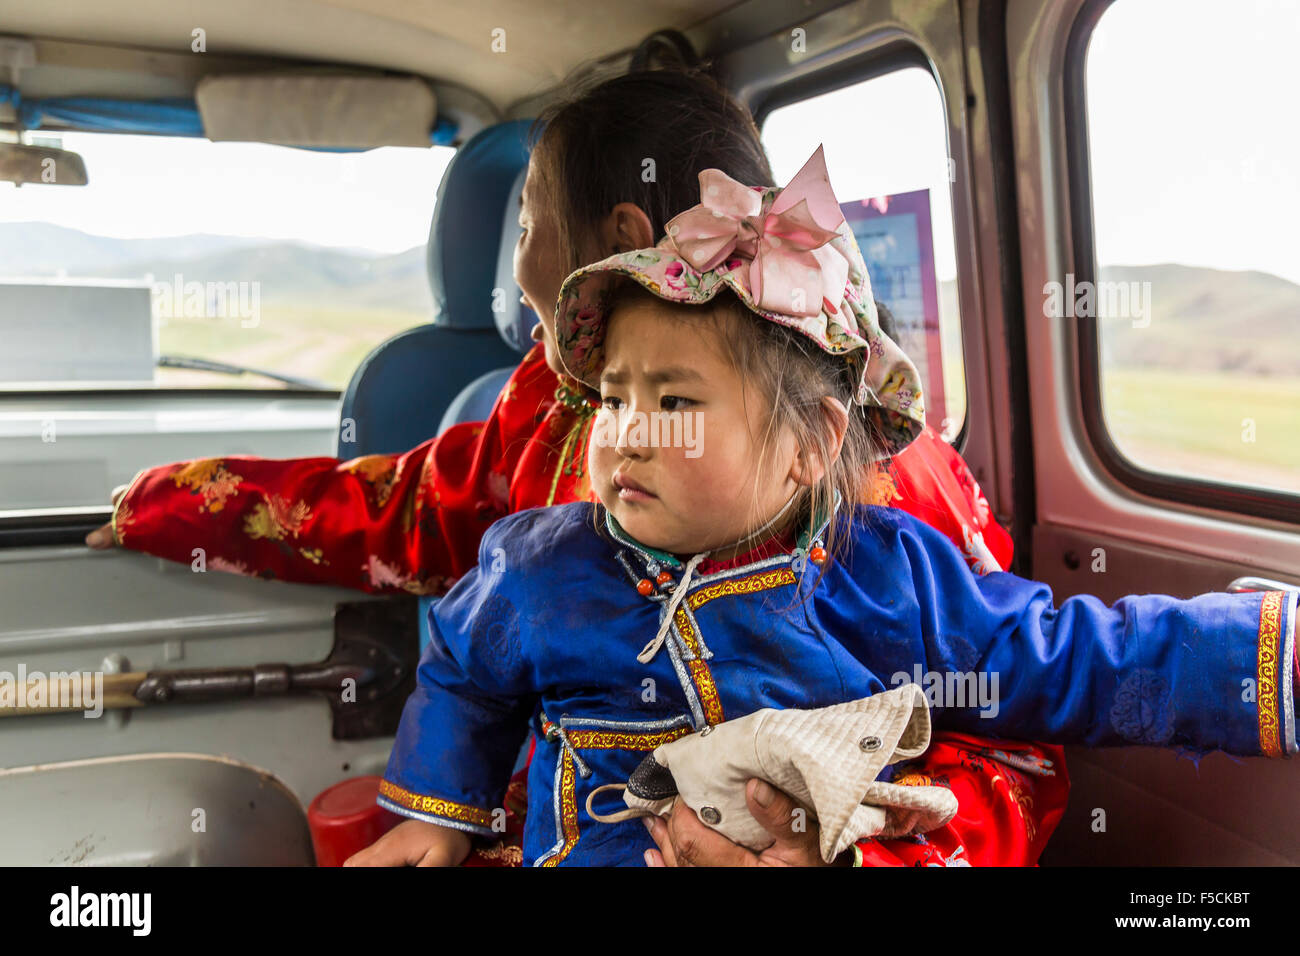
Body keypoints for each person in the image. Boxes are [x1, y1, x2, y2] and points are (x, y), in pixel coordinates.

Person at [87, 67, 1062, 865]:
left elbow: (1013, 749)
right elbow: (393, 514)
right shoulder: (545, 408)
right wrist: (169, 503)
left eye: (525, 228)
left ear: (625, 239)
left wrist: (842, 854)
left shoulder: (888, 483)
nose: (515, 271)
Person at [347, 148, 1293, 868]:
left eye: (673, 404)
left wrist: (1265, 662)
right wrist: (438, 809)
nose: (626, 433)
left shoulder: (887, 574)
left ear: (808, 447)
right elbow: (468, 673)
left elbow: (1074, 658)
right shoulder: (541, 565)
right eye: (614, 397)